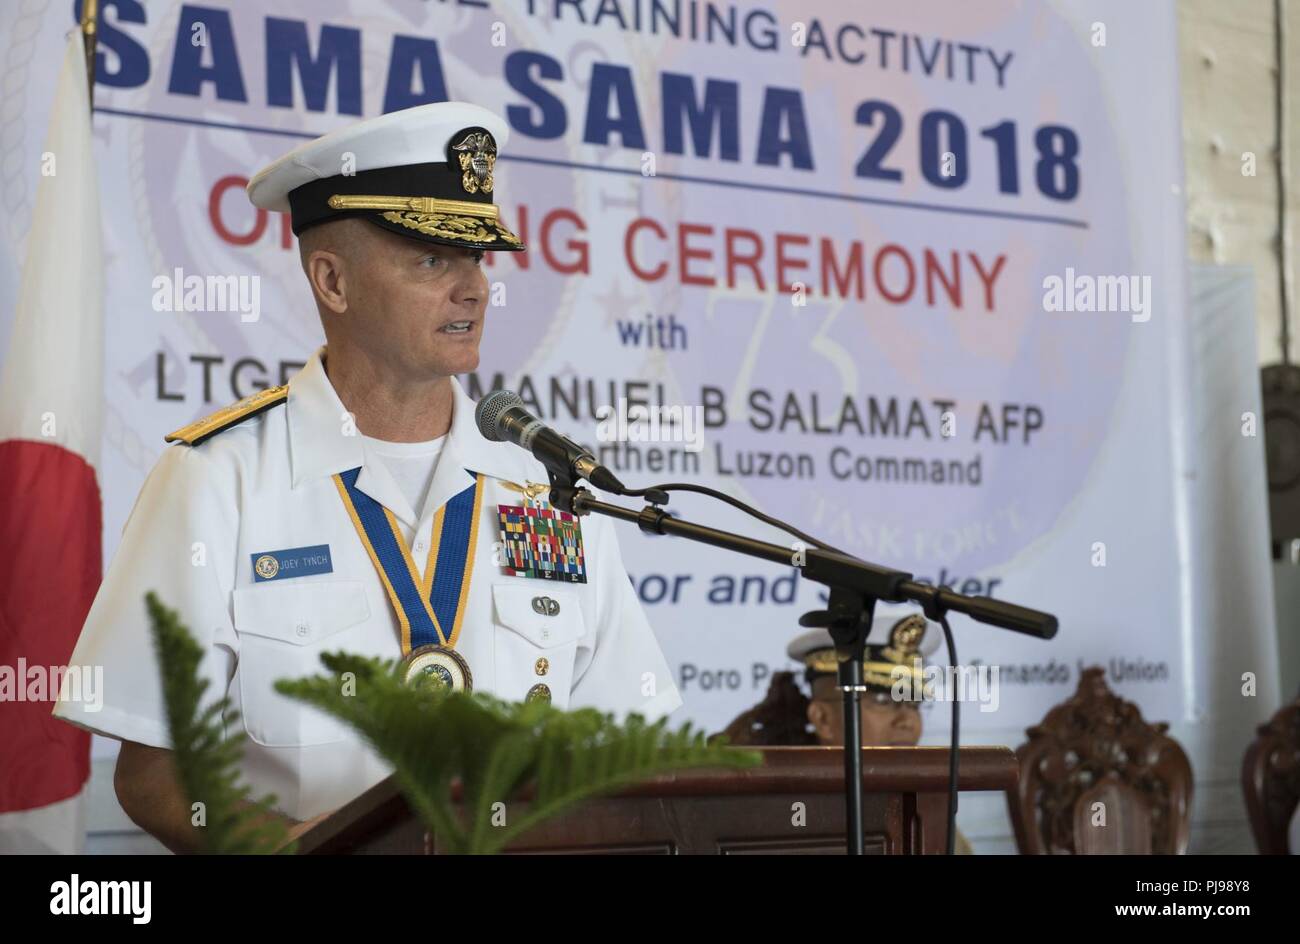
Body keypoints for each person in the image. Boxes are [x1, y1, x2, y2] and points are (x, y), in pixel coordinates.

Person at [53, 102, 682, 852]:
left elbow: (623, 747)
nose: (474, 288)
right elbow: (152, 772)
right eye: (431, 259)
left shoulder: (544, 486)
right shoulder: (217, 477)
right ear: (333, 281)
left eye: (478, 258)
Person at [719, 611, 974, 853]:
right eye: (884, 701)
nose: (907, 720)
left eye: (914, 703)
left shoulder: (923, 806)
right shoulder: (785, 810)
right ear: (823, 719)